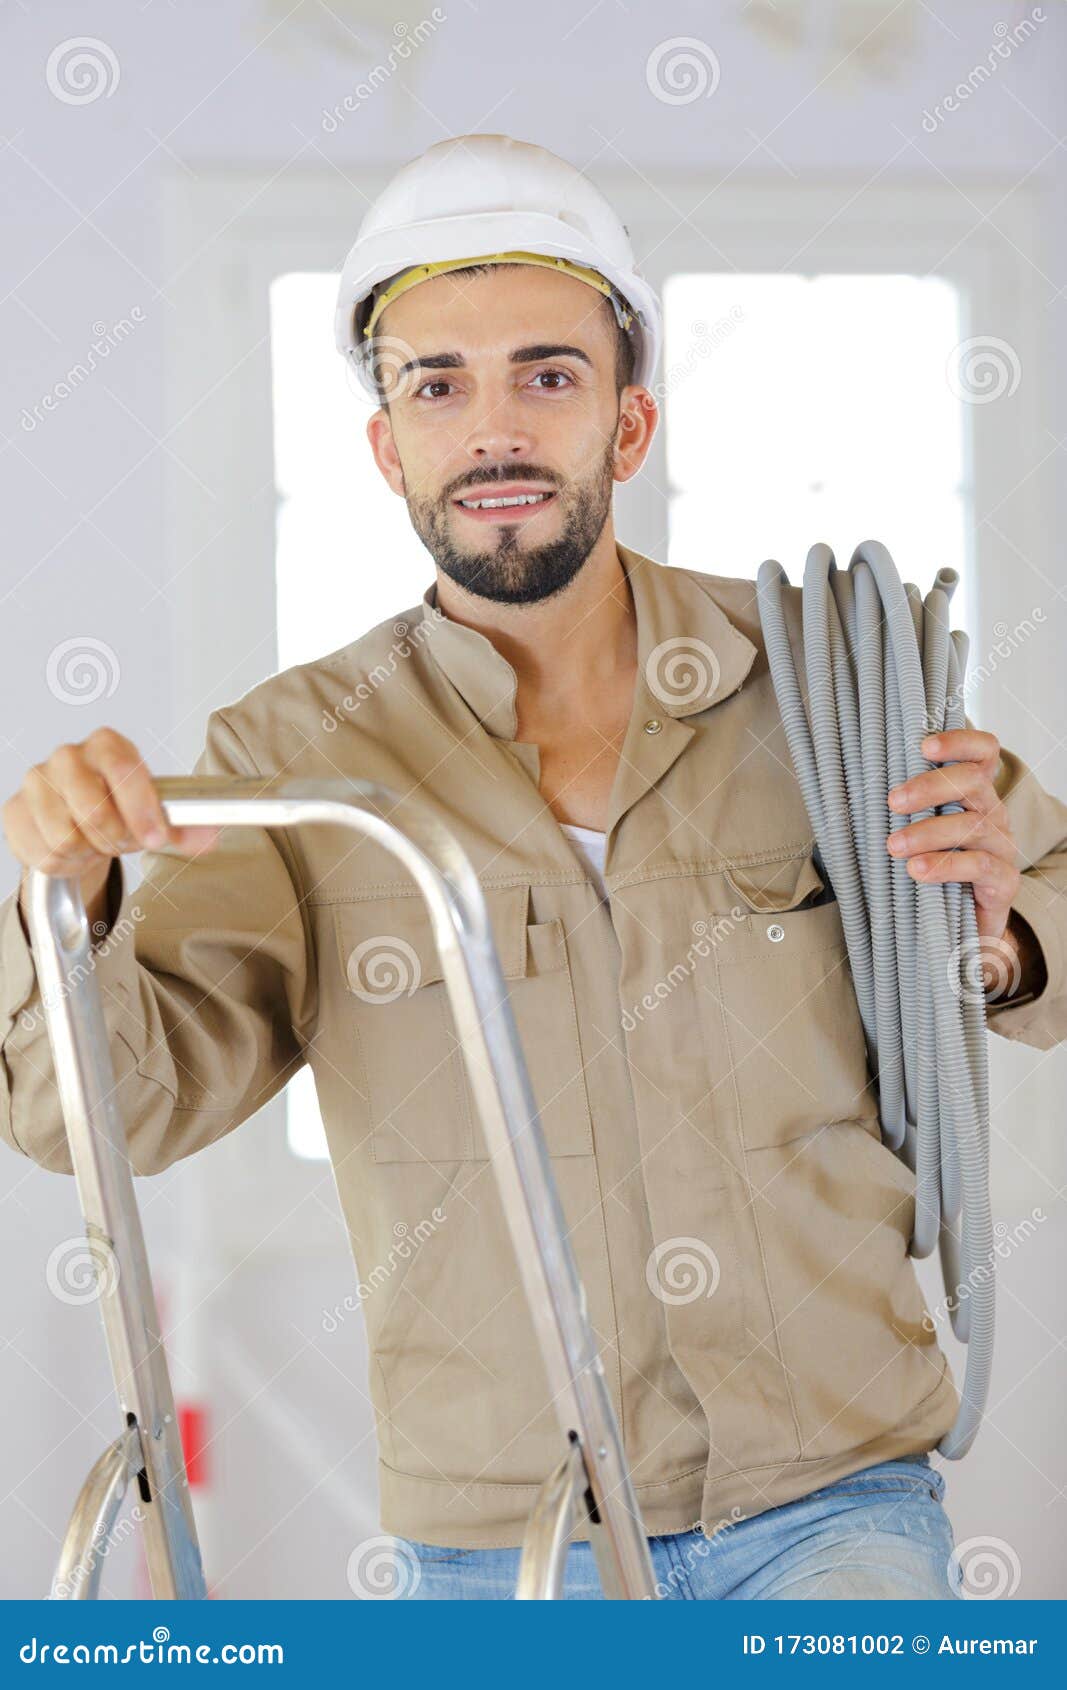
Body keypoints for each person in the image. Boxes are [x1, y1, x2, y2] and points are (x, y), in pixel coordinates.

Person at [2, 133, 1065, 1602]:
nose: (492, 427)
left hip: (832, 1502)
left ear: (628, 427)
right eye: (437, 382)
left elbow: (1045, 907)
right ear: (388, 443)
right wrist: (72, 900)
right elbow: (101, 1115)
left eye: (546, 374)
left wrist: (999, 935)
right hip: (503, 1541)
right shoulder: (291, 760)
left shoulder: (828, 676)